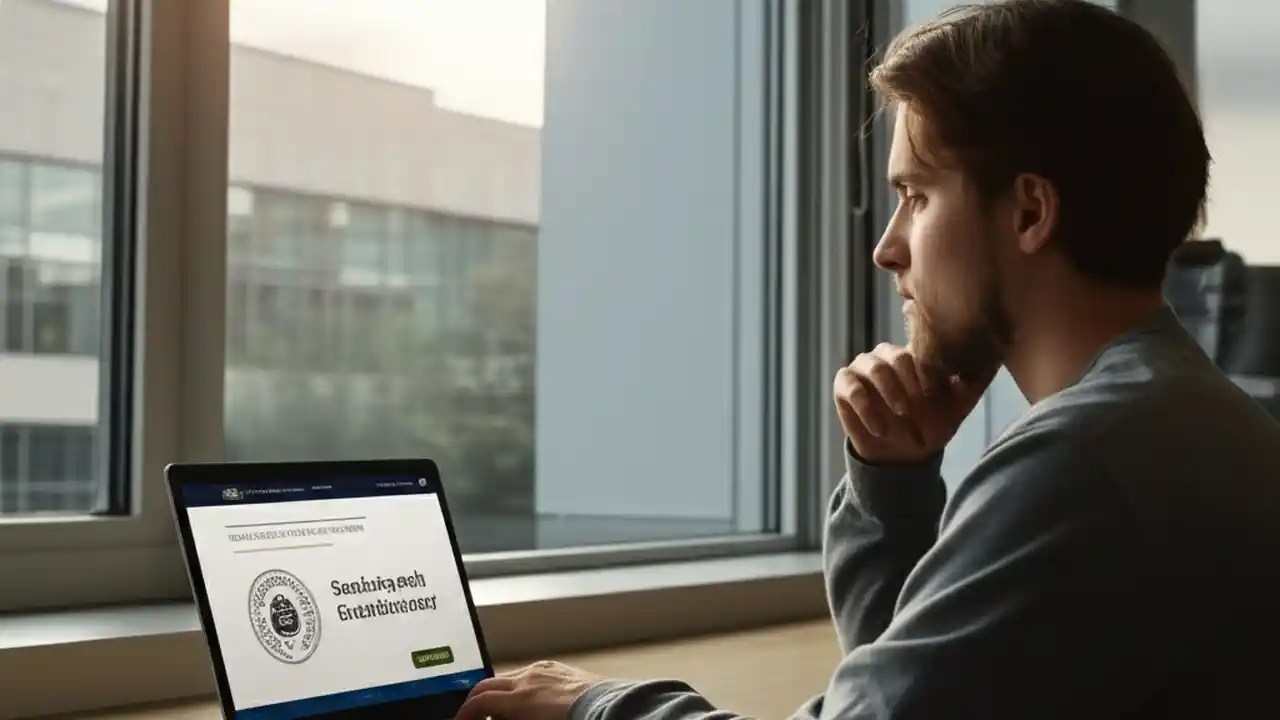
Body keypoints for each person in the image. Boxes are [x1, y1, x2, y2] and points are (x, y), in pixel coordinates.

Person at [456, 1, 1280, 718]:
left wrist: (597, 705)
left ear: (1030, 210)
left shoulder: (1088, 462)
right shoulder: (1187, 420)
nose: (888, 249)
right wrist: (893, 483)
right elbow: (927, 689)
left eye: (916, 195)